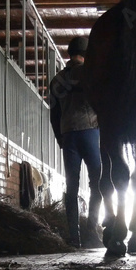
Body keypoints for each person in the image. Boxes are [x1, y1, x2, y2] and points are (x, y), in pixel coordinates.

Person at [50, 36, 103, 248]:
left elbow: (54, 114)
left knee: (71, 187)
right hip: (91, 133)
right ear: (86, 54)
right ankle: (92, 231)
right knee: (96, 183)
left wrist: (60, 139)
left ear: (69, 54)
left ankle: (74, 237)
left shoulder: (57, 80)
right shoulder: (92, 74)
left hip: (68, 136)